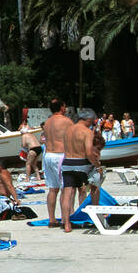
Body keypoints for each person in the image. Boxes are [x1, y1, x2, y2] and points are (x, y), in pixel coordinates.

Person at [59, 110, 97, 233]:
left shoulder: (68, 131)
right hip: (82, 164)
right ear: (89, 120)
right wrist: (97, 164)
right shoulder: (87, 132)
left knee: (67, 193)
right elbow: (89, 152)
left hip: (67, 163)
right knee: (92, 188)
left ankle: (66, 224)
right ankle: (90, 218)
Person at [41, 99, 72, 227]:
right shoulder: (66, 121)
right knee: (65, 188)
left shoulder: (47, 122)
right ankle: (65, 219)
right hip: (60, 155)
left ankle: (52, 219)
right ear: (62, 107)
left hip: (48, 155)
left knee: (53, 189)